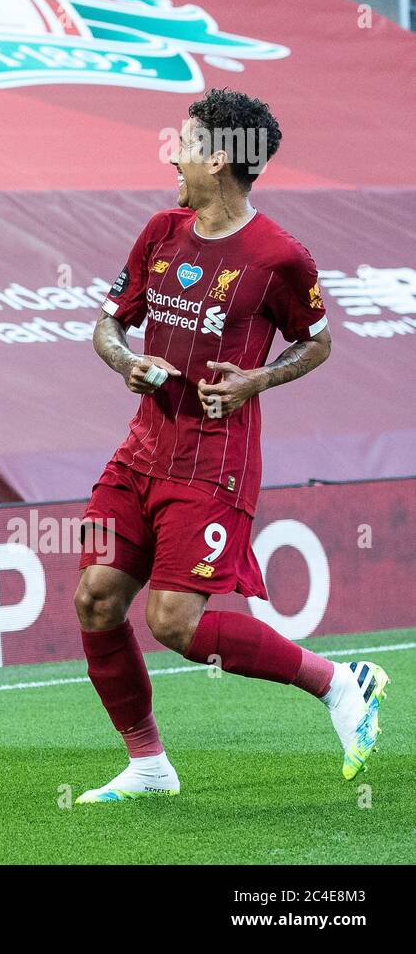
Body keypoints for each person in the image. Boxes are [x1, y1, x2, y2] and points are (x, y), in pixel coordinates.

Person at [74, 89, 387, 803]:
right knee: (96, 598)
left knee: (173, 623)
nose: (172, 154)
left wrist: (257, 381)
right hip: (141, 451)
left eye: (182, 142)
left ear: (218, 158)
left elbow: (319, 342)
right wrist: (126, 362)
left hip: (214, 464)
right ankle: (149, 766)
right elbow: (106, 326)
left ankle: (340, 682)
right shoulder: (161, 230)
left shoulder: (279, 257)